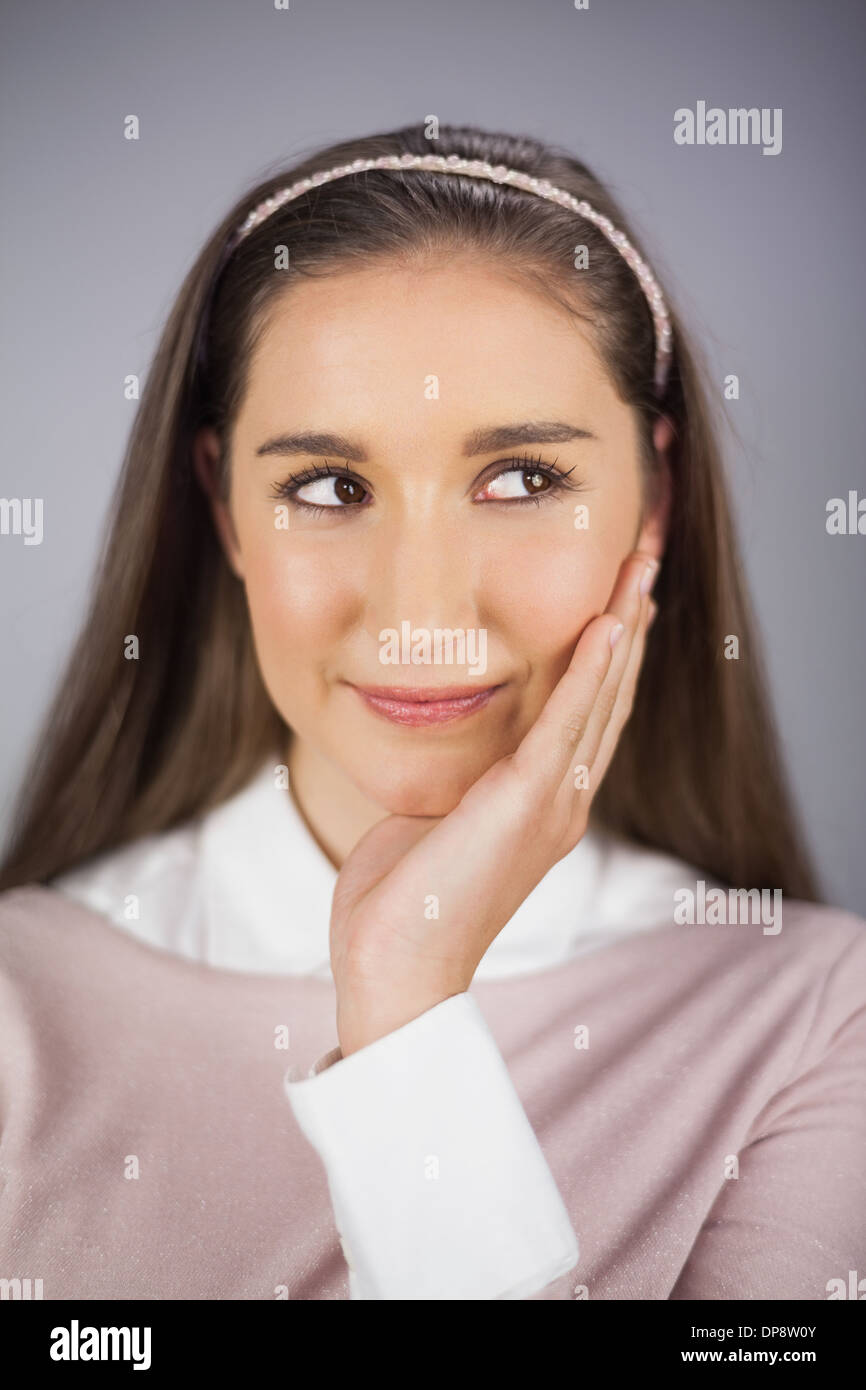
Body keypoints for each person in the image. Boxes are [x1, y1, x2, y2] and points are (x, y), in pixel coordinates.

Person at [1, 124, 864, 1302]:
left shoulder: (822, 1024)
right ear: (224, 508)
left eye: (519, 480)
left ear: (653, 502)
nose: (420, 610)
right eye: (328, 487)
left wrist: (407, 1008)